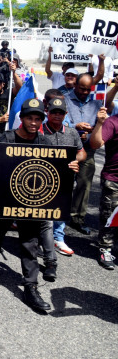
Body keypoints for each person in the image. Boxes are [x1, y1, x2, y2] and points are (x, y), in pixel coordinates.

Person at [0, 99, 79, 313]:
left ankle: (30, 286)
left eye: (38, 119)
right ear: (22, 118)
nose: (34, 123)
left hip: (32, 202)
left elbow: (56, 172)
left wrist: (70, 166)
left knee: (30, 243)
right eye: (30, 118)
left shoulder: (44, 142)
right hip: (6, 200)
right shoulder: (5, 139)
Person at [40, 93, 86, 266]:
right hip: (43, 179)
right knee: (42, 211)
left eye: (60, 112)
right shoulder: (40, 131)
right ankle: (41, 240)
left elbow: (81, 152)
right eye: (54, 112)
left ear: (66, 114)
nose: (57, 115)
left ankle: (58, 238)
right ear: (47, 112)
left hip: (65, 179)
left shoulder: (72, 133)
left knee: (61, 209)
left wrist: (77, 160)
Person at [65, 73, 109, 235]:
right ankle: (58, 213)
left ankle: (77, 218)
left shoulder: (97, 103)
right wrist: (76, 127)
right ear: (75, 85)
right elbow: (58, 120)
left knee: (84, 185)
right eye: (81, 88)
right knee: (63, 182)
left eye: (87, 89)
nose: (84, 92)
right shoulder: (65, 99)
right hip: (67, 148)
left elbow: (102, 123)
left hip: (88, 150)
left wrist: (94, 128)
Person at [86, 105, 118, 269]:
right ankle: (104, 248)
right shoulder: (112, 122)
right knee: (109, 217)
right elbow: (95, 144)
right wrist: (99, 123)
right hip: (114, 180)